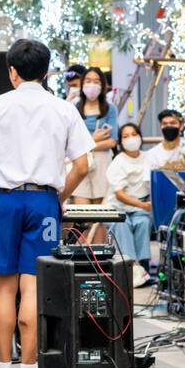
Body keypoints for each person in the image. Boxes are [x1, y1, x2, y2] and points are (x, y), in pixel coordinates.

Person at [0, 38, 94, 368]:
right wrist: (58, 197)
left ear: (12, 71)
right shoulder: (63, 109)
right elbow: (82, 164)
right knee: (33, 285)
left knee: (4, 286)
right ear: (48, 71)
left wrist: (5, 186)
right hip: (44, 203)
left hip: (6, 201)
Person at [71, 66, 118, 243]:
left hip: (102, 162)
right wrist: (95, 139)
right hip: (80, 161)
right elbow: (73, 142)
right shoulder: (75, 107)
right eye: (88, 81)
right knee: (81, 214)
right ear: (82, 84)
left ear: (103, 85)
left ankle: (100, 256)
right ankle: (80, 257)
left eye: (97, 82)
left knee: (100, 215)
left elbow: (112, 141)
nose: (92, 85)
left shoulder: (110, 109)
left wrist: (87, 143)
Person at [106, 122, 154, 288]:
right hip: (118, 207)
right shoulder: (118, 162)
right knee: (122, 225)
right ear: (120, 141)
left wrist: (144, 206)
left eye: (134, 134)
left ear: (140, 136)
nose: (131, 139)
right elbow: (120, 194)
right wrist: (142, 205)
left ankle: (143, 266)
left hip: (140, 208)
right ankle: (131, 267)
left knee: (143, 223)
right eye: (125, 136)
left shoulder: (149, 158)